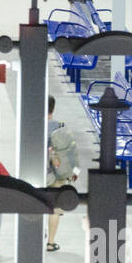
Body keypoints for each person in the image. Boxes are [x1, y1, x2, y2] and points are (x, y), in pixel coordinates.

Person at [46, 95, 80, 252]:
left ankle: (34, 236)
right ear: (53, 108)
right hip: (58, 174)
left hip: (37, 171)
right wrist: (75, 171)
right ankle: (51, 242)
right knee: (55, 208)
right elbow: (72, 152)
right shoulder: (60, 126)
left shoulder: (33, 126)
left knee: (36, 204)